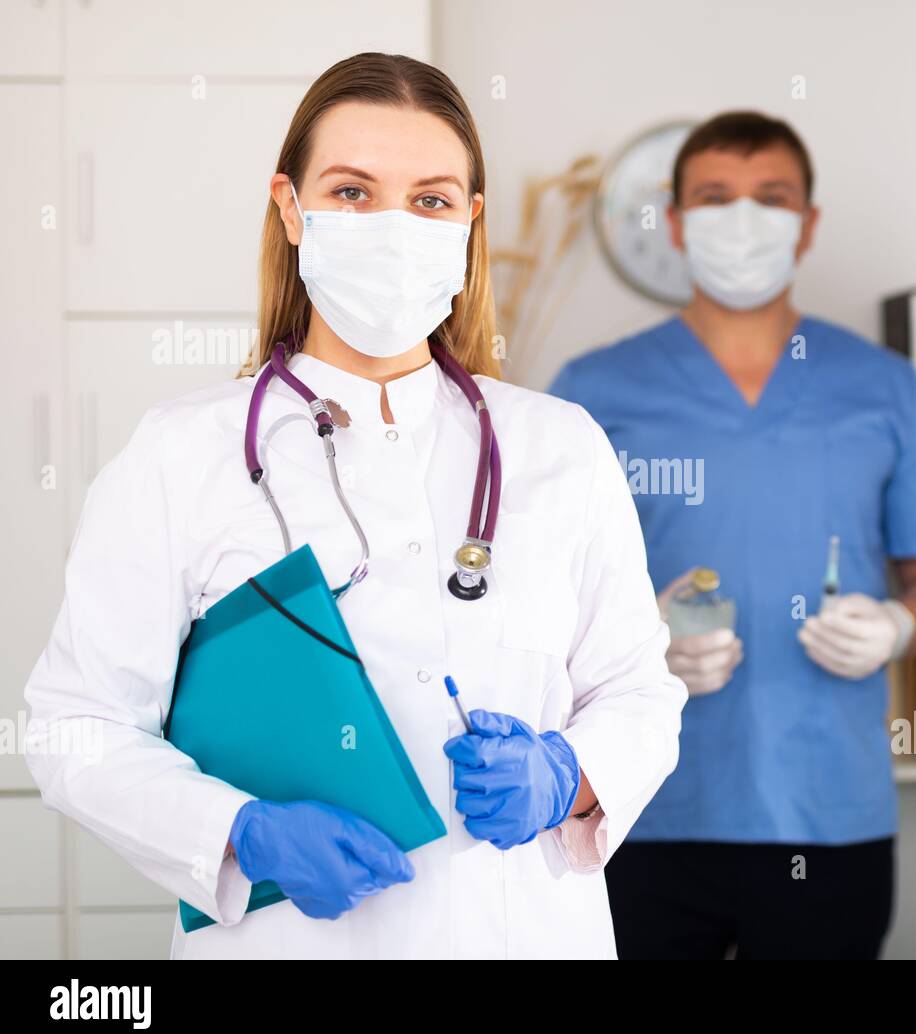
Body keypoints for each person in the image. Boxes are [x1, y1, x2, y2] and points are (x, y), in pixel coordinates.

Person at [23, 53, 686, 960]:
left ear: (468, 223)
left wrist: (568, 774)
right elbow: (74, 724)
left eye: (430, 200)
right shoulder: (182, 453)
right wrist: (240, 830)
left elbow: (641, 693)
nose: (393, 227)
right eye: (351, 192)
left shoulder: (559, 446)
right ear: (291, 207)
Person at [549, 111, 916, 960]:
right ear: (674, 222)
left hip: (829, 813)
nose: (742, 217)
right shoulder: (593, 391)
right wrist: (640, 648)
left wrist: (898, 624)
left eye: (770, 196)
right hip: (638, 804)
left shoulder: (883, 387)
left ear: (808, 223)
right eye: (715, 197)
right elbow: (535, 604)